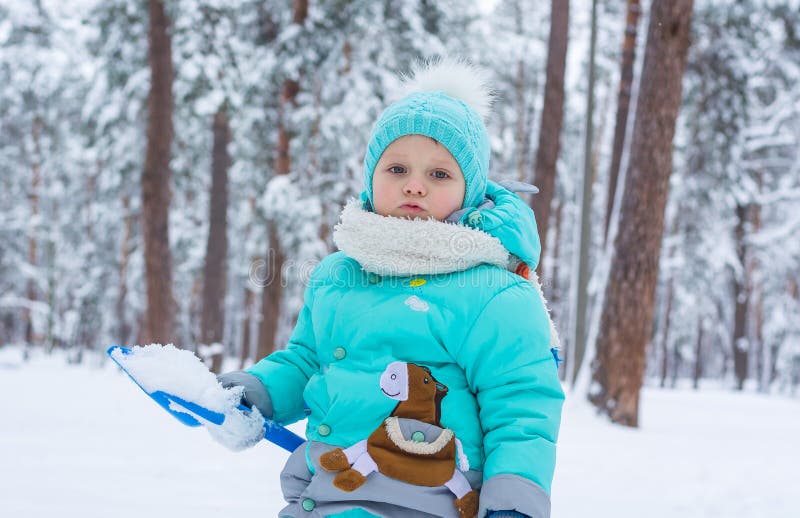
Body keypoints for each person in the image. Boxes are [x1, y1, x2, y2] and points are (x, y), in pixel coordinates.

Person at [219, 58, 564, 518]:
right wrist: (255, 392)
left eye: (439, 174)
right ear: (371, 179)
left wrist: (514, 500)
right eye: (397, 169)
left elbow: (521, 405)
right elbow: (306, 361)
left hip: (432, 505)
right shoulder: (338, 276)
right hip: (326, 497)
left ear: (470, 190)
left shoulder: (492, 291)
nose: (415, 186)